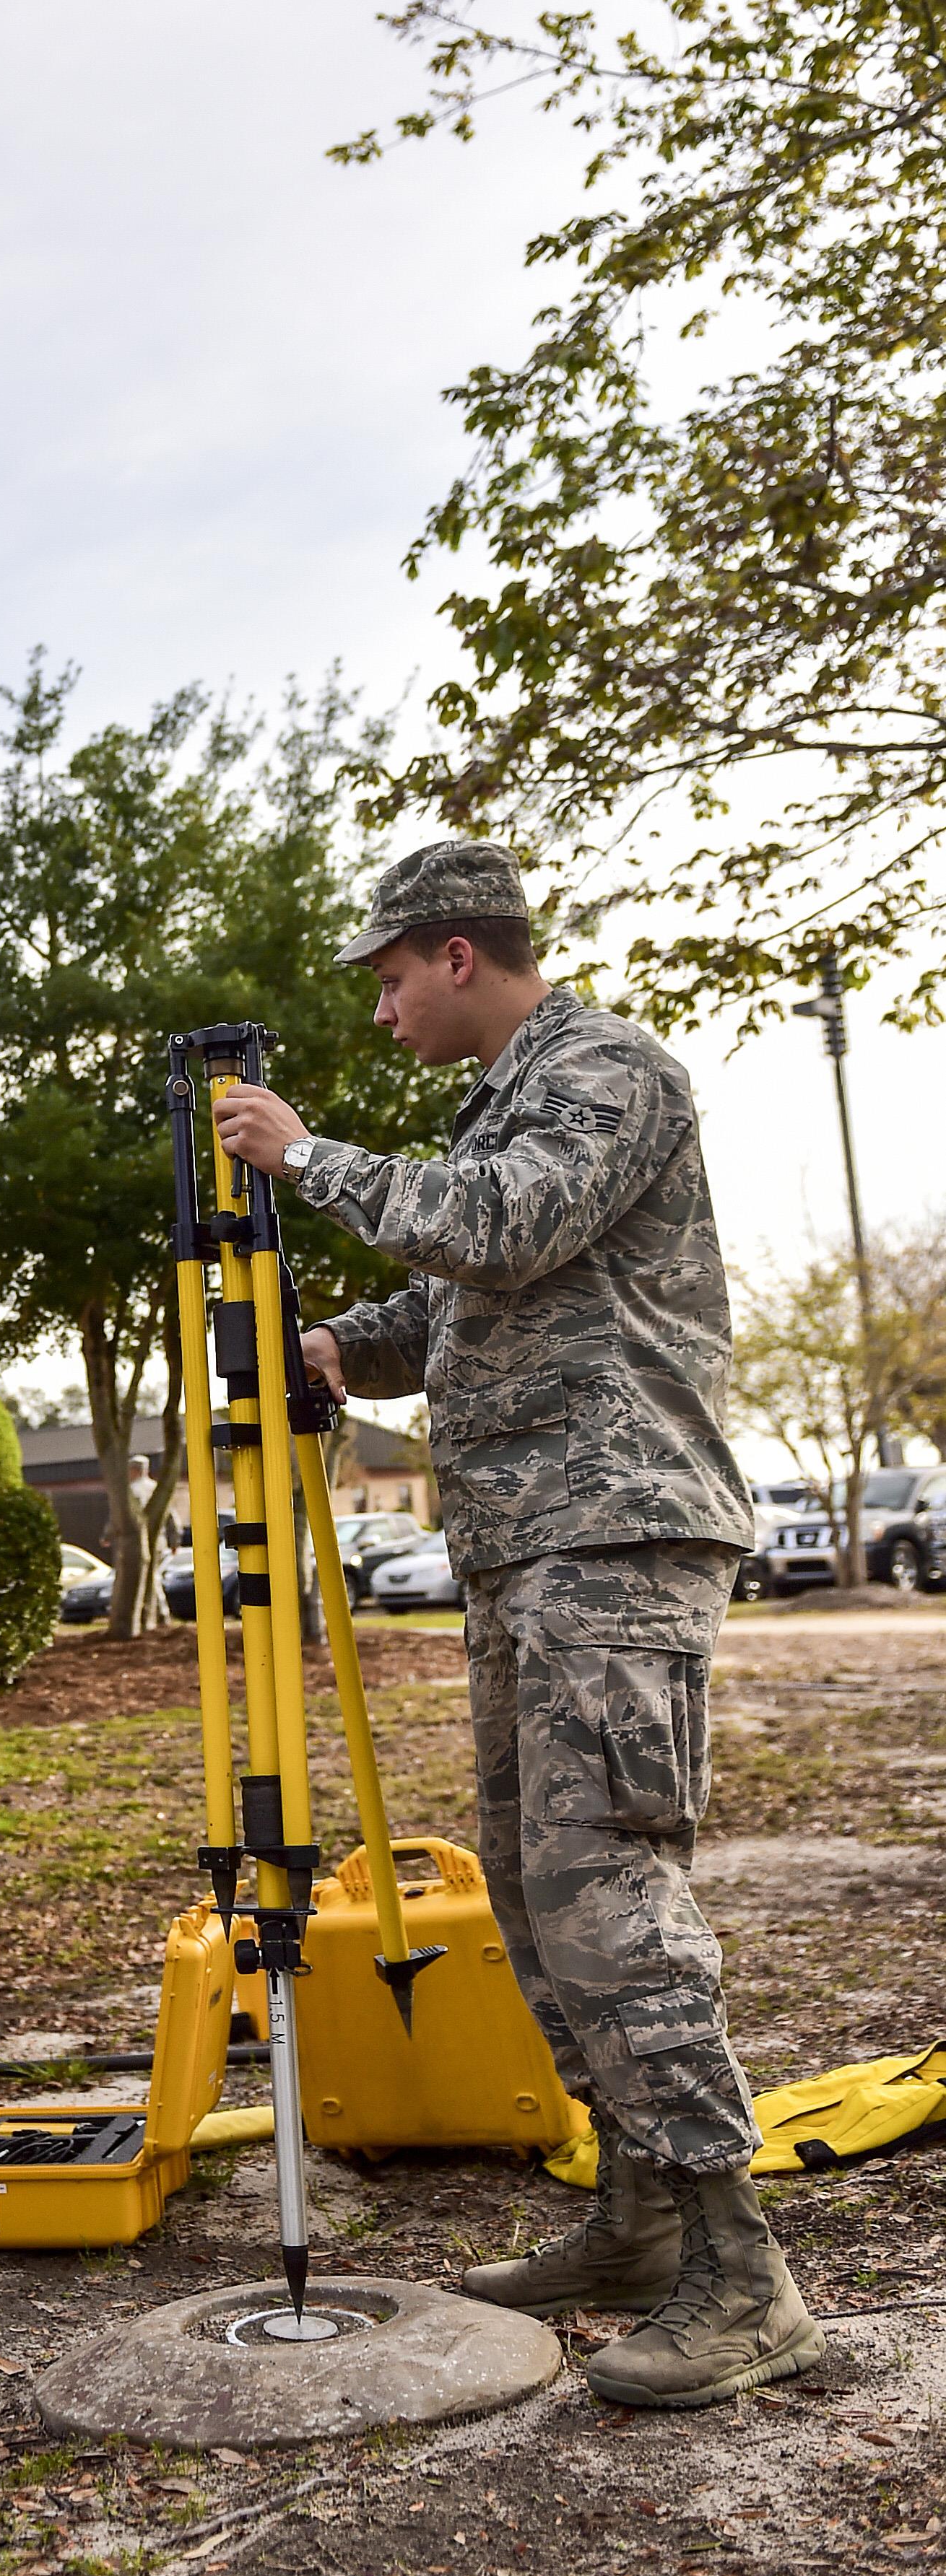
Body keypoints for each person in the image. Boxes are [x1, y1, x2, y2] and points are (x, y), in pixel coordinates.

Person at [211, 839, 822, 2411]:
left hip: (612, 1532)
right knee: (542, 1900)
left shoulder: (607, 1070)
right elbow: (459, 1303)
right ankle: (636, 2215)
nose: (382, 1009)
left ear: (455, 952)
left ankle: (742, 2272)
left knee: (604, 1885)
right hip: (523, 1547)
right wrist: (338, 1345)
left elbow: (501, 1224)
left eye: (389, 978)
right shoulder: (498, 1103)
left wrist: (305, 1154)